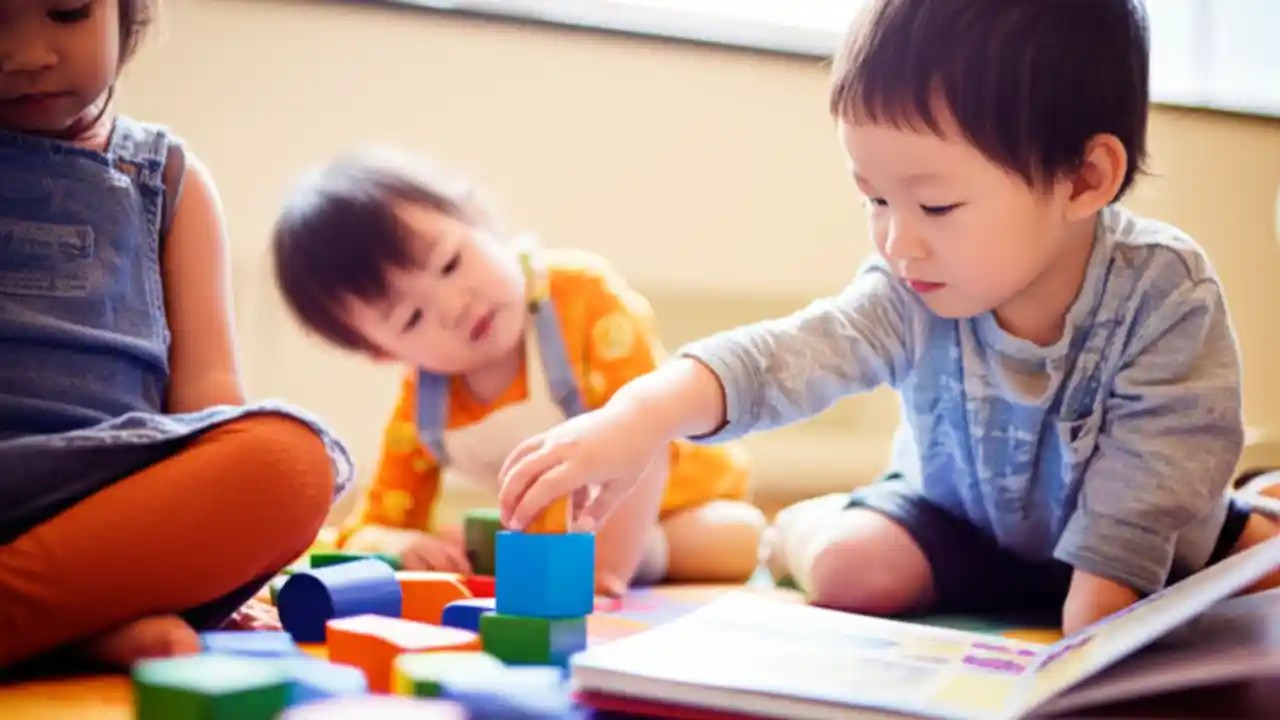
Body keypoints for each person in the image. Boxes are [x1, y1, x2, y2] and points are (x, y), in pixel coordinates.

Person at [496, 0, 1280, 634]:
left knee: (1248, 574)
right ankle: (801, 523)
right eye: (874, 199)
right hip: (957, 523)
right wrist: (640, 415)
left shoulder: (1165, 292)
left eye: (935, 203)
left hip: (1142, 537)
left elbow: (1158, 463)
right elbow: (793, 353)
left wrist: (1100, 602)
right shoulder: (908, 291)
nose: (899, 240)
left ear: (1084, 178)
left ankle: (1255, 510)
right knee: (847, 572)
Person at [0, 0, 352, 668]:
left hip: (106, 508)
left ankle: (48, 618)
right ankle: (70, 626)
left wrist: (218, 557)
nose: (27, 53)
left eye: (66, 11)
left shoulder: (167, 179)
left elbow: (209, 399)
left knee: (290, 462)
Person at [271, 150, 764, 595]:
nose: (455, 305)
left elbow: (650, 438)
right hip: (565, 534)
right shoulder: (425, 406)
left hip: (677, 498)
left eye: (450, 263)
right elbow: (371, 522)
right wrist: (399, 544)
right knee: (494, 547)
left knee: (737, 534)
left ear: (479, 219)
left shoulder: (581, 298)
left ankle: (646, 557)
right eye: (412, 318)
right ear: (385, 353)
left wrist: (602, 573)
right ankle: (605, 558)